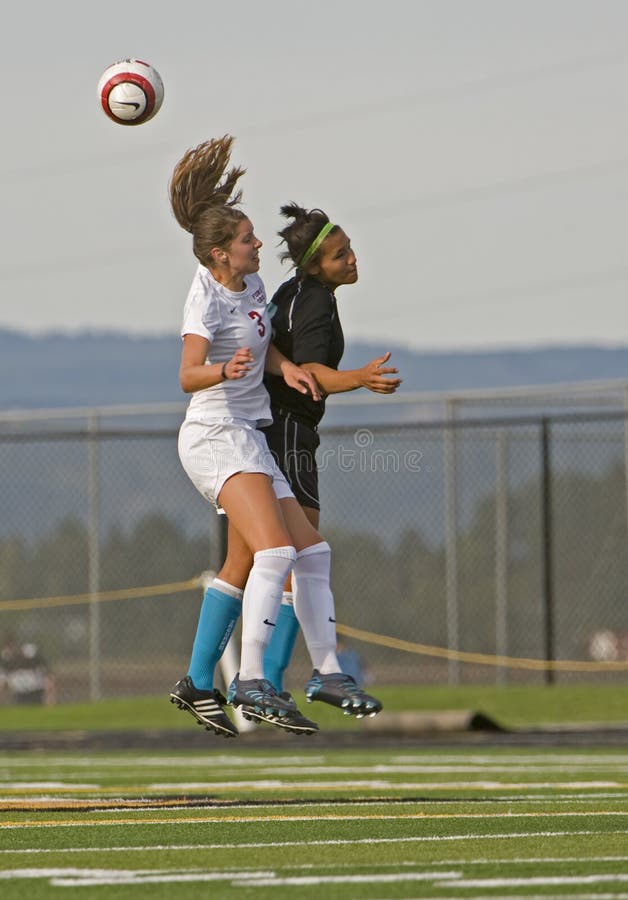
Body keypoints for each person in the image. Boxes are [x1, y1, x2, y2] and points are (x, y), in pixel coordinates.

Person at [167, 136, 382, 738]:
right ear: (219, 254)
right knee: (275, 553)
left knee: (311, 551)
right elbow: (188, 375)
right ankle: (252, 681)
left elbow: (264, 349)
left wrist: (281, 366)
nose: (258, 244)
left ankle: (328, 671)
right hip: (214, 436)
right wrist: (222, 369)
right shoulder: (204, 297)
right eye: (246, 240)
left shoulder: (254, 286)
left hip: (249, 434)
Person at [218, 203, 401, 696]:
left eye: (349, 250)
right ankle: (272, 680)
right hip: (286, 432)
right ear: (316, 265)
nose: (353, 259)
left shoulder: (291, 292)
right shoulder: (315, 299)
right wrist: (360, 378)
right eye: (341, 255)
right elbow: (311, 373)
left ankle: (223, 680)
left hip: (265, 428)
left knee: (248, 563)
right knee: (301, 555)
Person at [0, 634, 56, 706]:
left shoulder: (35, 661)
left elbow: (49, 679)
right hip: (19, 693)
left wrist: (51, 698)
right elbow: (3, 683)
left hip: (36, 691)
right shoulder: (7, 661)